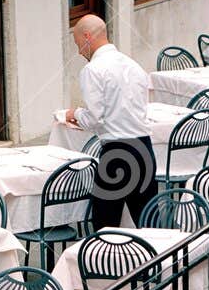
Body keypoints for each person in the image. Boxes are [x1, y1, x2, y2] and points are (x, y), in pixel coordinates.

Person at [66, 15, 156, 230]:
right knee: (150, 225)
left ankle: (107, 264)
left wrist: (75, 114)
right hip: (145, 150)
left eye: (78, 44)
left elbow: (96, 119)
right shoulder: (134, 65)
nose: (79, 52)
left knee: (105, 227)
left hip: (117, 153)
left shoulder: (93, 70)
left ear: (87, 37)